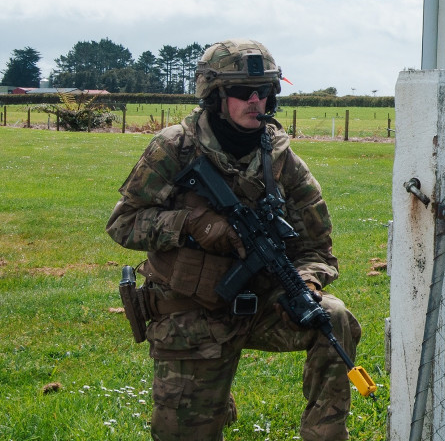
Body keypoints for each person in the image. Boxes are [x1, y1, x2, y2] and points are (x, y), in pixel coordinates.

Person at [106, 39, 361, 441]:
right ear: (215, 95)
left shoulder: (282, 161)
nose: (255, 101)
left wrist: (307, 284)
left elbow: (316, 248)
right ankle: (209, 400)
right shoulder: (174, 148)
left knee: (333, 318)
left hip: (262, 306)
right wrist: (192, 224)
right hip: (191, 314)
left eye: (265, 92)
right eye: (243, 92)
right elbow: (122, 224)